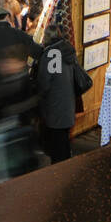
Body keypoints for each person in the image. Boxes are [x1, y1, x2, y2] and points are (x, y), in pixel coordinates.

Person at [0, 0, 40, 120]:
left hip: (1, 91)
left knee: (5, 121)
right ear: (8, 17)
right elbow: (38, 52)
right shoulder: (20, 35)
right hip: (21, 87)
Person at [35, 24, 81, 163]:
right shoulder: (68, 50)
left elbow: (45, 82)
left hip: (55, 104)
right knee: (64, 140)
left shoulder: (51, 54)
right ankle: (66, 165)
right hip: (68, 102)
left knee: (57, 144)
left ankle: (59, 172)